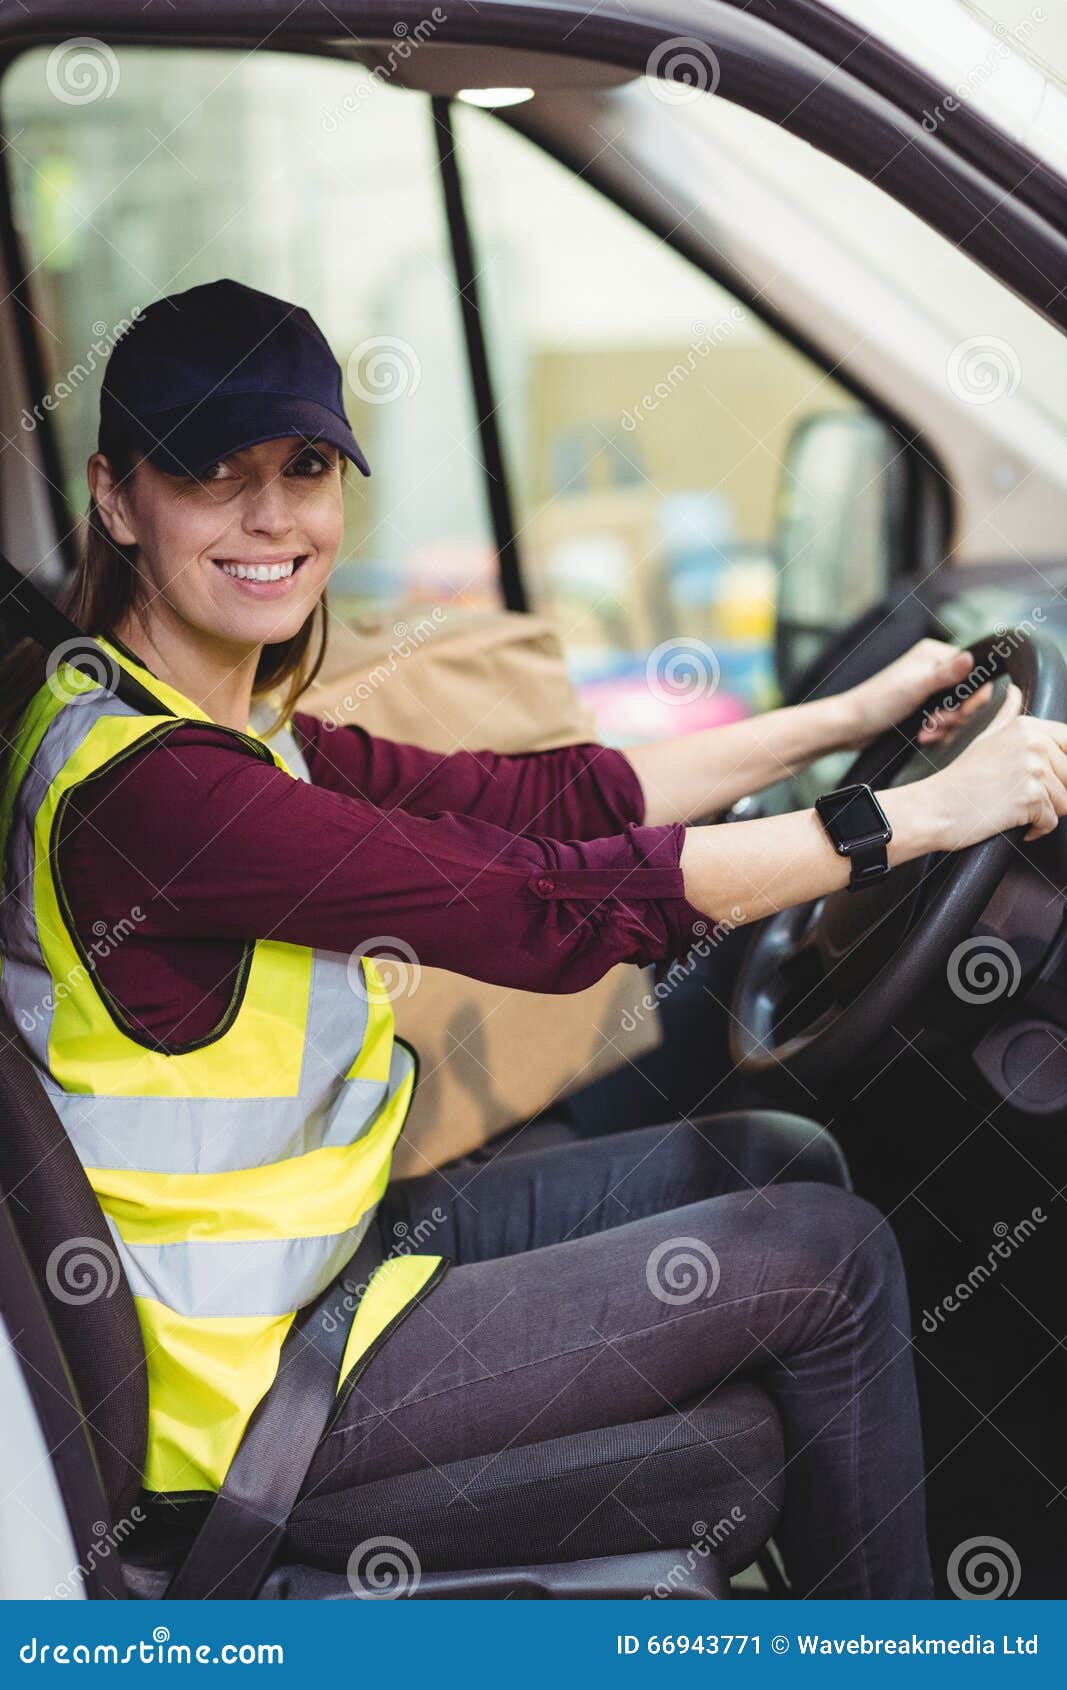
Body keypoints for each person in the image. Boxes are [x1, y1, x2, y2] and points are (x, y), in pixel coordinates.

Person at [2, 279, 1065, 1600]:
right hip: (241, 1394)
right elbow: (543, 907)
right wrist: (904, 818)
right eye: (212, 474)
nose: (273, 516)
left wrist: (851, 716)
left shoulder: (207, 725)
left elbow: (553, 800)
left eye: (306, 466)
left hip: (329, 1260)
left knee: (775, 1152)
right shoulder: (159, 797)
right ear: (116, 499)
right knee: (836, 1264)